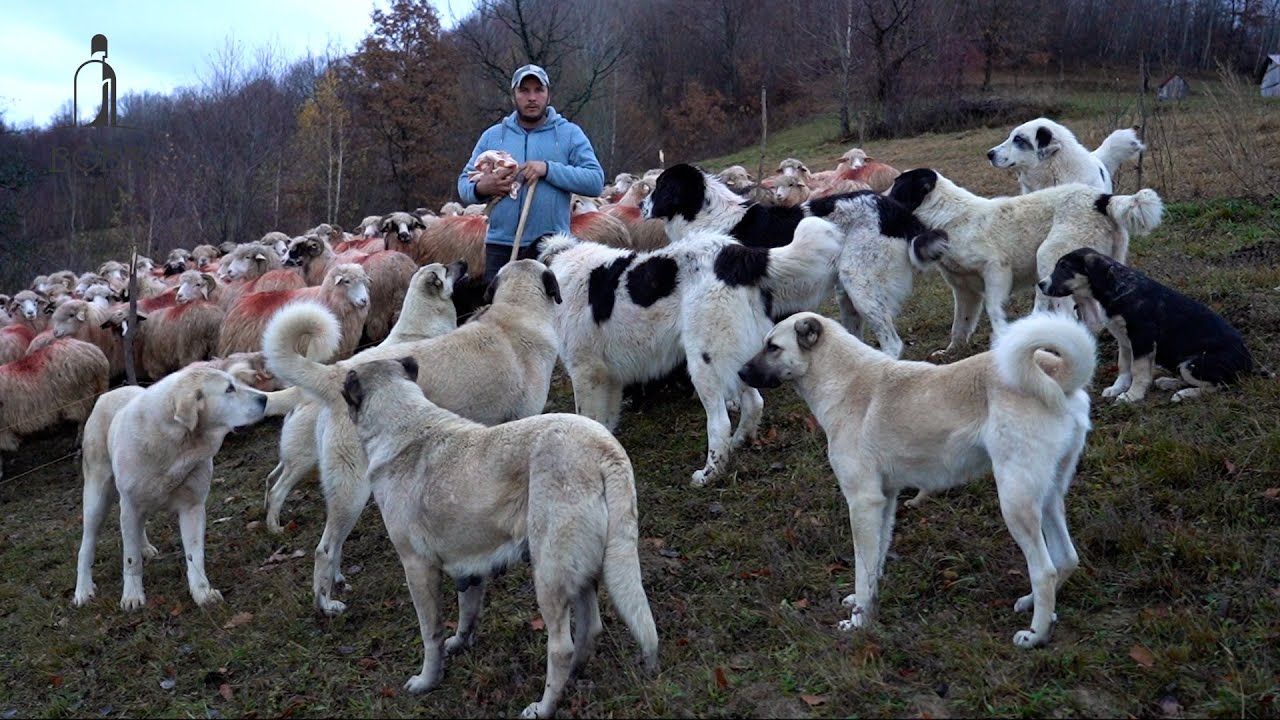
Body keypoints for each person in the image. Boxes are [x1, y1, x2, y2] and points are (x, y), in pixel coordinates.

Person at [457, 64, 605, 282]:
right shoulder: (493, 136)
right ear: (513, 95)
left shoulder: (569, 134)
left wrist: (548, 169)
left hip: (552, 247)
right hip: (501, 247)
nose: (532, 97)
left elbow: (595, 181)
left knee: (551, 313)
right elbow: (464, 184)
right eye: (524, 90)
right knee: (500, 314)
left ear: (548, 94)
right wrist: (482, 188)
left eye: (538, 90)